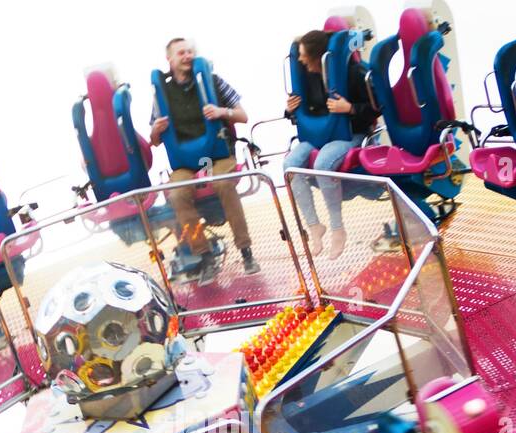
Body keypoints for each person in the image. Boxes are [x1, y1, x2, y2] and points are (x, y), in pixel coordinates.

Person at [151, 37, 259, 275]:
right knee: (177, 194)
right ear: (169, 59)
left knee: (223, 184)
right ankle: (204, 254)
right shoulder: (161, 94)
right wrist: (156, 130)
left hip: (218, 153)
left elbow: (243, 115)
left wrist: (222, 111)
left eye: (190, 52)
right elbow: (154, 141)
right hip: (185, 161)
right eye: (181, 53)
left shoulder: (213, 81)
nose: (187, 56)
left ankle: (245, 250)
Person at [282, 29, 379, 260]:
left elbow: (376, 108)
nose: (302, 61)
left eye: (306, 56)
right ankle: (314, 225)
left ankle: (338, 228)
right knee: (290, 165)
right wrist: (290, 111)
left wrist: (351, 108)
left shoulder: (354, 73)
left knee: (324, 162)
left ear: (320, 56)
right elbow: (303, 116)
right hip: (320, 135)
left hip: (351, 133)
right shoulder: (309, 77)